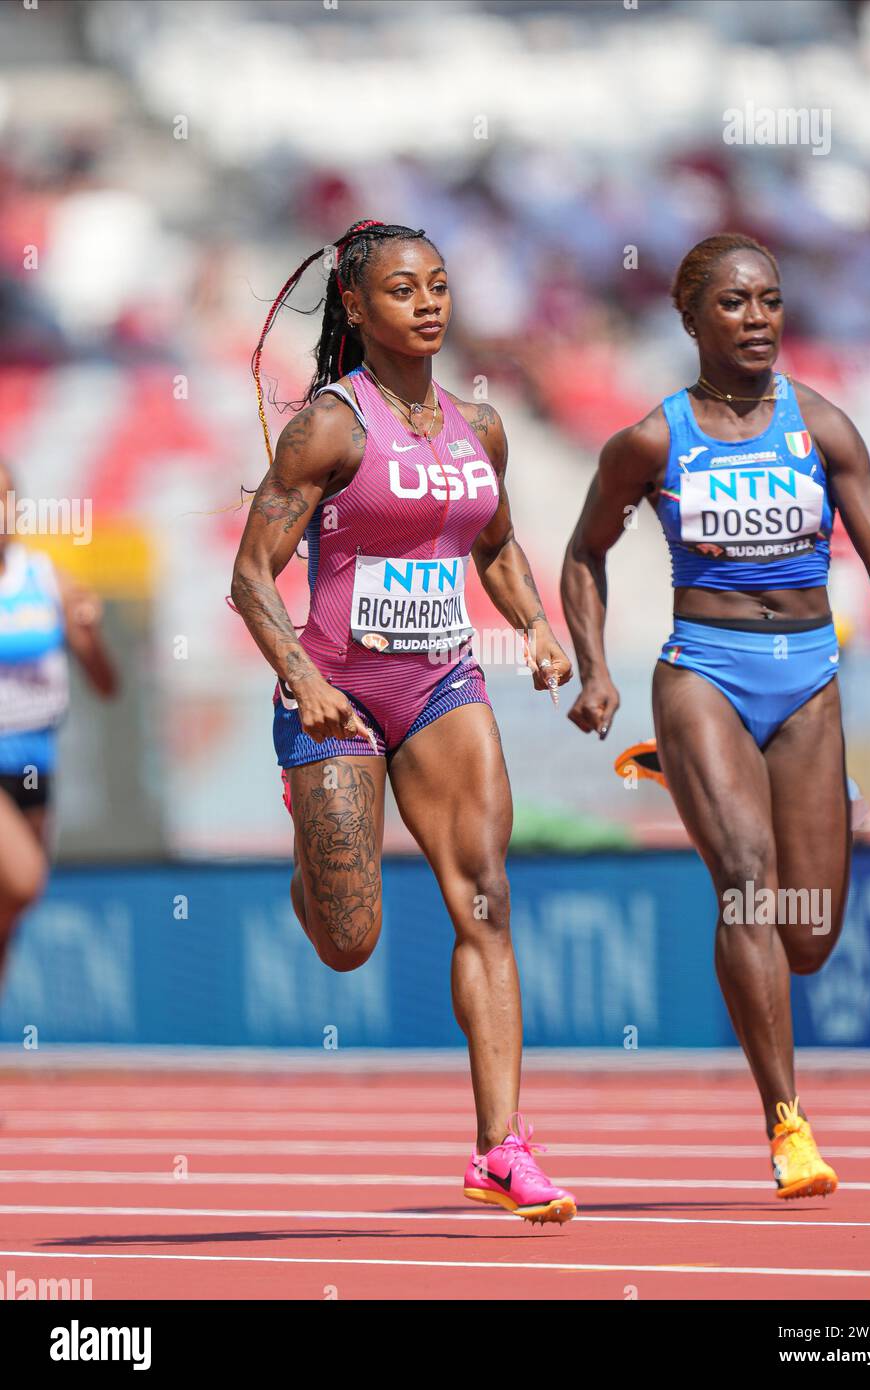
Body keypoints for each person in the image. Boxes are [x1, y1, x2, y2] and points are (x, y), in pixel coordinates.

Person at [561, 233, 870, 1199]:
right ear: (691, 317)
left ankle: (776, 786)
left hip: (810, 680)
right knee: (746, 878)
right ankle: (788, 1124)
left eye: (771, 302)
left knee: (809, 933)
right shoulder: (652, 441)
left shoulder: (821, 426)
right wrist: (595, 672)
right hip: (704, 671)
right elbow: (584, 552)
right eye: (735, 305)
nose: (757, 321)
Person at [231, 219, 577, 1223]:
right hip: (335, 690)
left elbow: (498, 546)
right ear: (355, 306)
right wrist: (300, 673)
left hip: (440, 688)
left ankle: (502, 1148)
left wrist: (537, 626)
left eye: (437, 285)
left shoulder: (483, 426)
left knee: (485, 899)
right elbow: (250, 577)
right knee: (349, 939)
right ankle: (312, 865)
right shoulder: (329, 429)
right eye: (400, 289)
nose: (426, 302)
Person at [0, 461, 119, 984]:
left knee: (8, 918)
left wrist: (88, 638)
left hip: (37, 768)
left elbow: (106, 684)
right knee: (24, 882)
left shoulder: (45, 578)